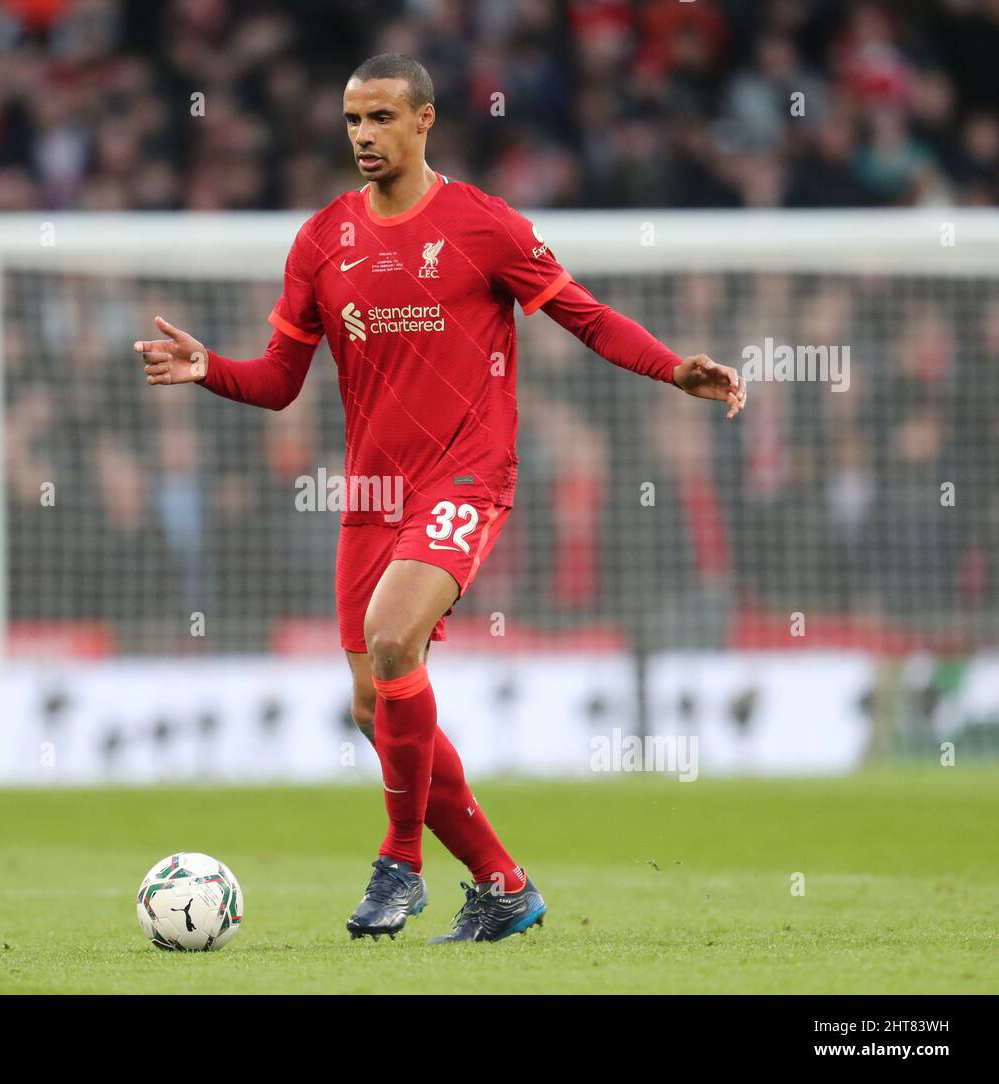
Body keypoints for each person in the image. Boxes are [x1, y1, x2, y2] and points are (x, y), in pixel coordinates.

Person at [136, 54, 746, 943]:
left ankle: (400, 863)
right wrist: (208, 371)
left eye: (381, 117)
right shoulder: (321, 241)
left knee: (392, 638)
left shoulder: (481, 224)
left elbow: (582, 312)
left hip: (467, 475)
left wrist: (672, 367)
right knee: (370, 706)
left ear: (425, 121)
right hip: (370, 492)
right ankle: (504, 885)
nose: (363, 136)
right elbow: (276, 382)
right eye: (352, 121)